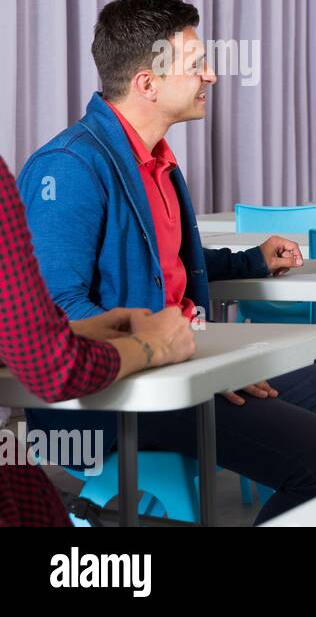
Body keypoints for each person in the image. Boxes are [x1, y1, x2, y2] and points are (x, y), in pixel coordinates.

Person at [19, 0, 316, 525]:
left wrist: (249, 263)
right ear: (147, 83)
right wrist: (186, 360)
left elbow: (157, 263)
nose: (212, 76)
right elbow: (55, 315)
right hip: (120, 394)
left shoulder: (157, 162)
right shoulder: (71, 168)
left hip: (194, 363)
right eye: (197, 65)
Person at [1, 154, 197, 526]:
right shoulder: (70, 163)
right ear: (146, 89)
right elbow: (51, 367)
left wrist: (74, 331)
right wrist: (154, 346)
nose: (209, 90)